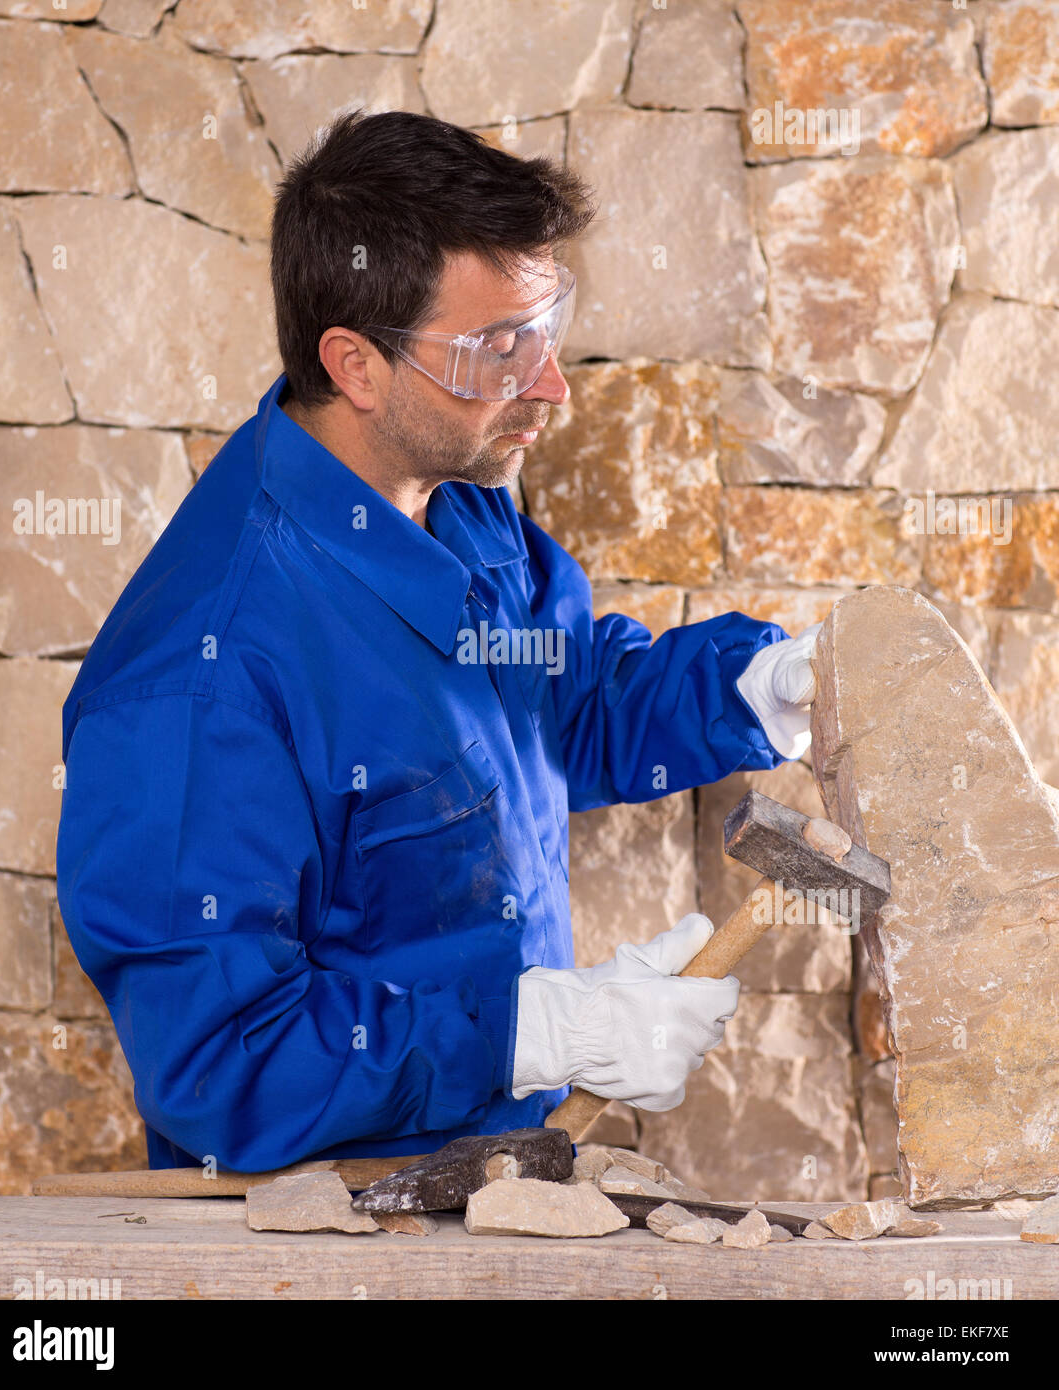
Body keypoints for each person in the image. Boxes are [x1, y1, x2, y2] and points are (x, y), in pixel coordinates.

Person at [56, 109, 819, 1172]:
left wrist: (748, 690)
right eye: (500, 349)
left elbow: (558, 700)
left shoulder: (453, 498)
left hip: (496, 1187)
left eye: (547, 328)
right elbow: (219, 1062)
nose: (550, 383)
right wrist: (529, 1032)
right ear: (357, 366)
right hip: (322, 1248)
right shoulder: (199, 680)